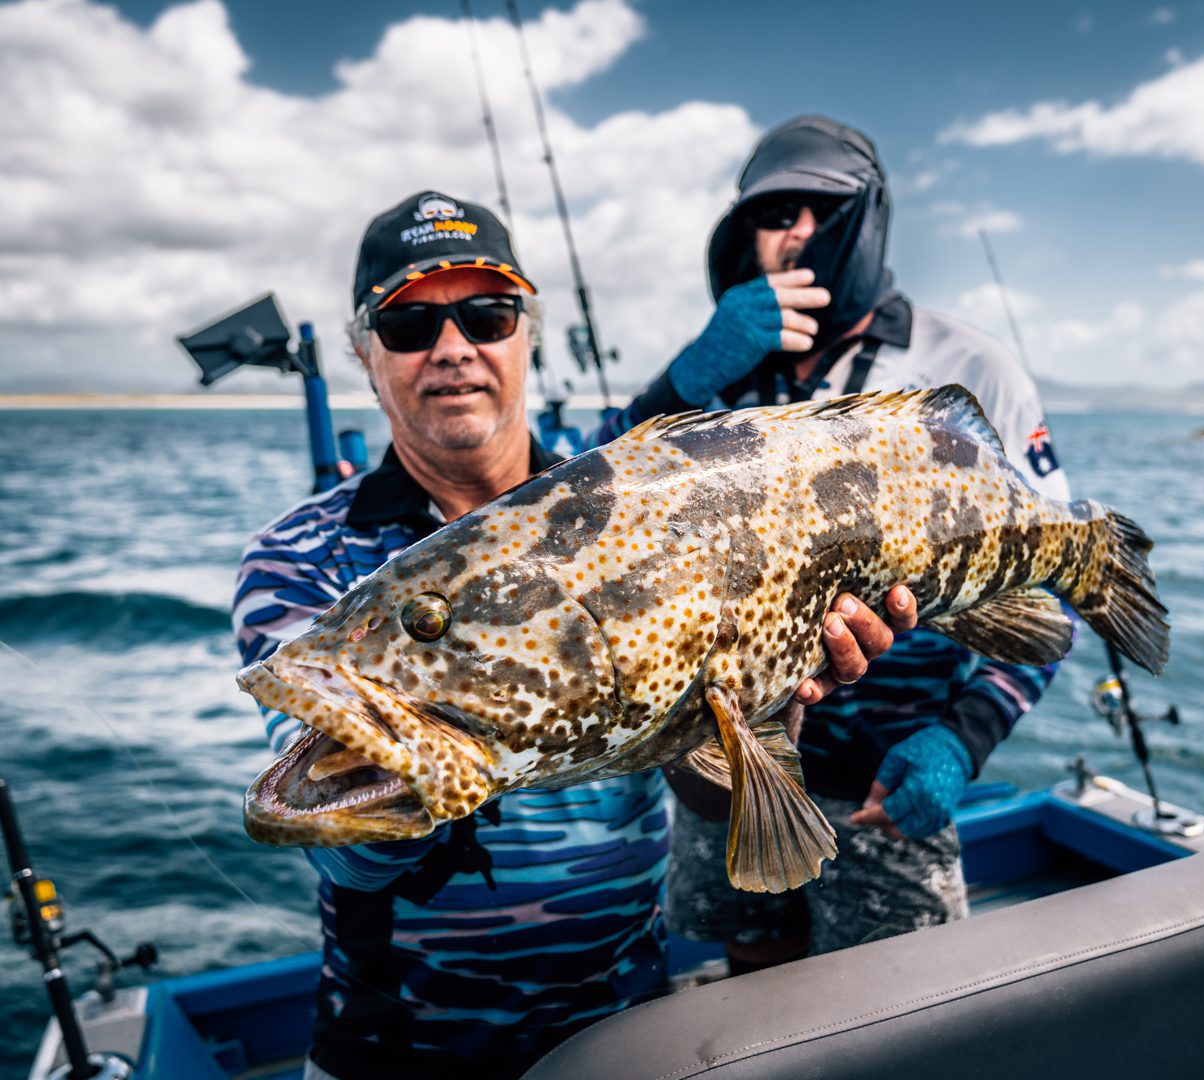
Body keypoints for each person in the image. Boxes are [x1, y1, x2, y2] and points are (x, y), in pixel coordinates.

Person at [232, 190, 915, 1080]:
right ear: (366, 353)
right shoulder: (297, 557)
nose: (452, 349)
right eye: (408, 325)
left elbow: (710, 793)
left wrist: (769, 709)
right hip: (395, 1048)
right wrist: (405, 774)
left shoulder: (649, 507)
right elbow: (346, 846)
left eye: (487, 313)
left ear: (528, 333)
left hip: (627, 1034)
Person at [587, 116, 1072, 971]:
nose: (798, 231)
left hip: (884, 782)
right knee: (750, 997)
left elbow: (1055, 570)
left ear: (871, 220)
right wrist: (679, 382)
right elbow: (587, 521)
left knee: (904, 1023)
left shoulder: (968, 364)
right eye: (774, 214)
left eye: (824, 208)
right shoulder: (714, 366)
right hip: (721, 772)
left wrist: (965, 736)